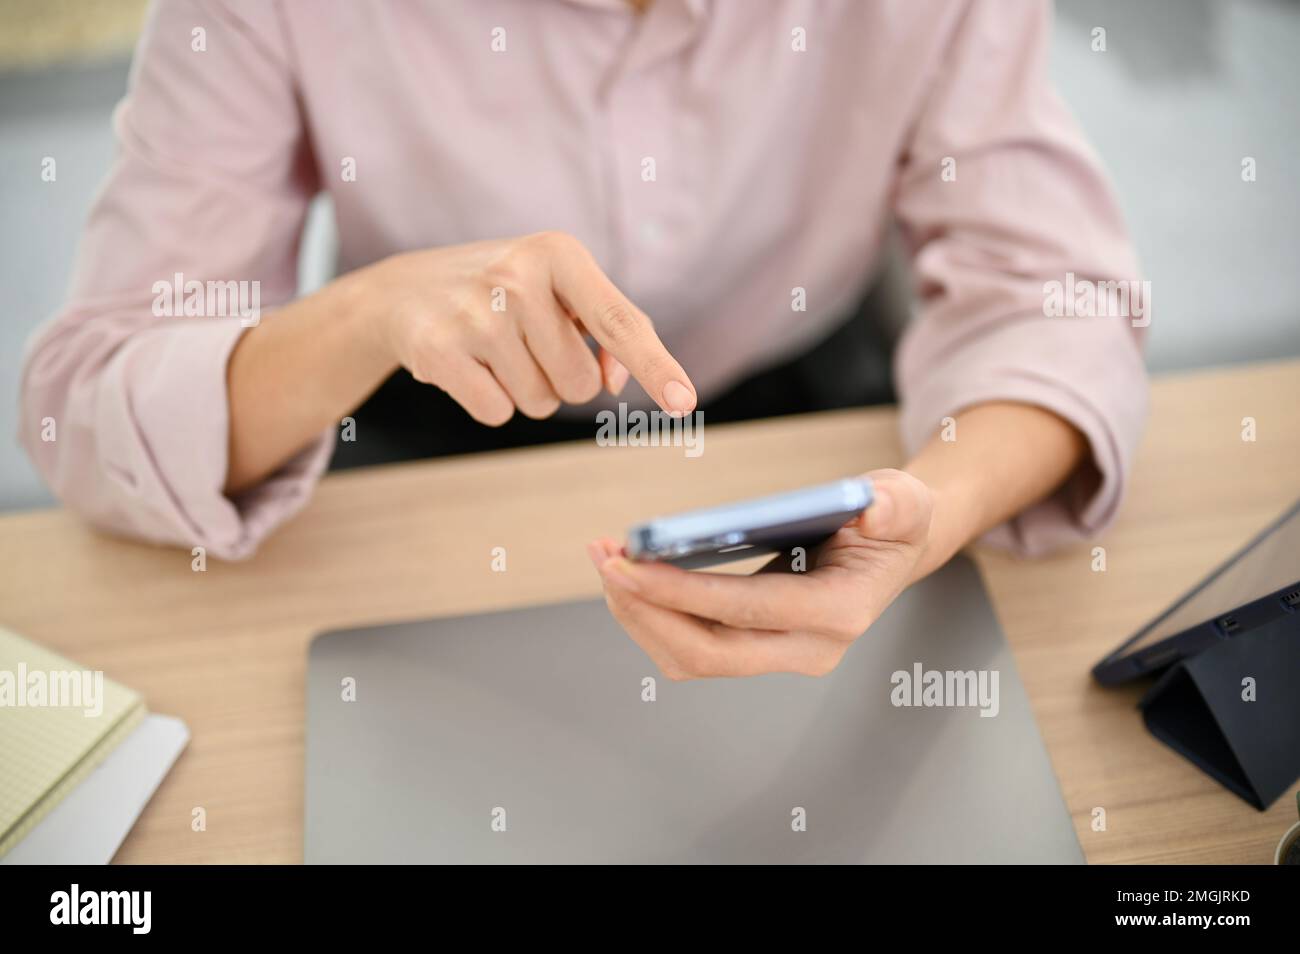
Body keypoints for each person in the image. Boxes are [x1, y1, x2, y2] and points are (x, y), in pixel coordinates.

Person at [19, 0, 1147, 679]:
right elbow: (88, 401)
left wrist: (935, 510)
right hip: (416, 417)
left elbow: (1051, 296)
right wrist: (365, 313)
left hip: (801, 398)